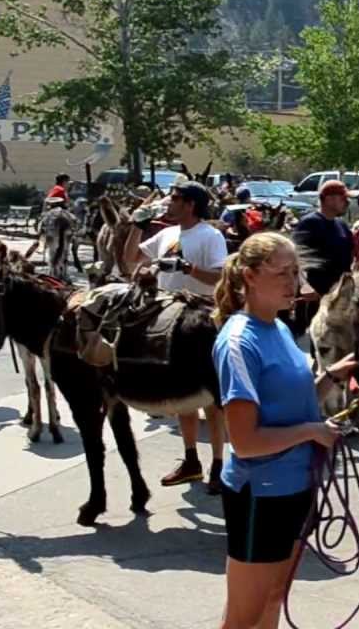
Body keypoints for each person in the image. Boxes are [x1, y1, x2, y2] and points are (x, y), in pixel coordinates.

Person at [212, 233, 354, 629]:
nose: (294, 283)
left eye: (297, 272)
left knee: (274, 597)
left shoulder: (277, 329)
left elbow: (289, 404)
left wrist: (332, 377)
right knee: (244, 617)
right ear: (250, 276)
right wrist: (312, 431)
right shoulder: (240, 343)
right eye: (283, 274)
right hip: (262, 492)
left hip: (295, 486)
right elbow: (245, 441)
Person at [126, 181, 230, 494]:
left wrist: (187, 267)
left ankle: (218, 464)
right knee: (183, 395)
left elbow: (220, 277)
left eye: (175, 198)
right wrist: (136, 225)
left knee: (212, 399)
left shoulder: (209, 235)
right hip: (168, 321)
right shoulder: (166, 234)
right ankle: (190, 459)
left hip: (202, 322)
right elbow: (130, 259)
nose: (169, 203)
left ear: (190, 204)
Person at [290, 180, 353, 300]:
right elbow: (293, 257)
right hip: (315, 296)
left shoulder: (342, 225)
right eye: (343, 199)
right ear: (329, 199)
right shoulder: (309, 224)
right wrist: (304, 285)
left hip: (339, 295)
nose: (347, 203)